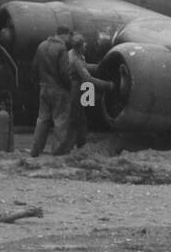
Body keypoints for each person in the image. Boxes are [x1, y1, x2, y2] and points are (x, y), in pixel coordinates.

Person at [56, 34, 113, 154]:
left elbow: (84, 67)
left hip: (76, 88)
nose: (86, 47)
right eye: (84, 45)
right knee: (76, 119)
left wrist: (99, 67)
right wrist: (108, 85)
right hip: (76, 89)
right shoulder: (75, 60)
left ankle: (79, 145)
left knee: (80, 118)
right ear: (79, 47)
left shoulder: (73, 53)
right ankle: (67, 148)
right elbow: (88, 79)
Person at [30, 25, 73, 157]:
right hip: (59, 90)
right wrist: (70, 87)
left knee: (42, 119)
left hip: (44, 87)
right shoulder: (62, 48)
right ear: (64, 35)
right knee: (60, 120)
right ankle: (58, 152)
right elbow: (64, 73)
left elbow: (34, 67)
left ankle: (36, 150)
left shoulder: (41, 45)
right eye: (68, 36)